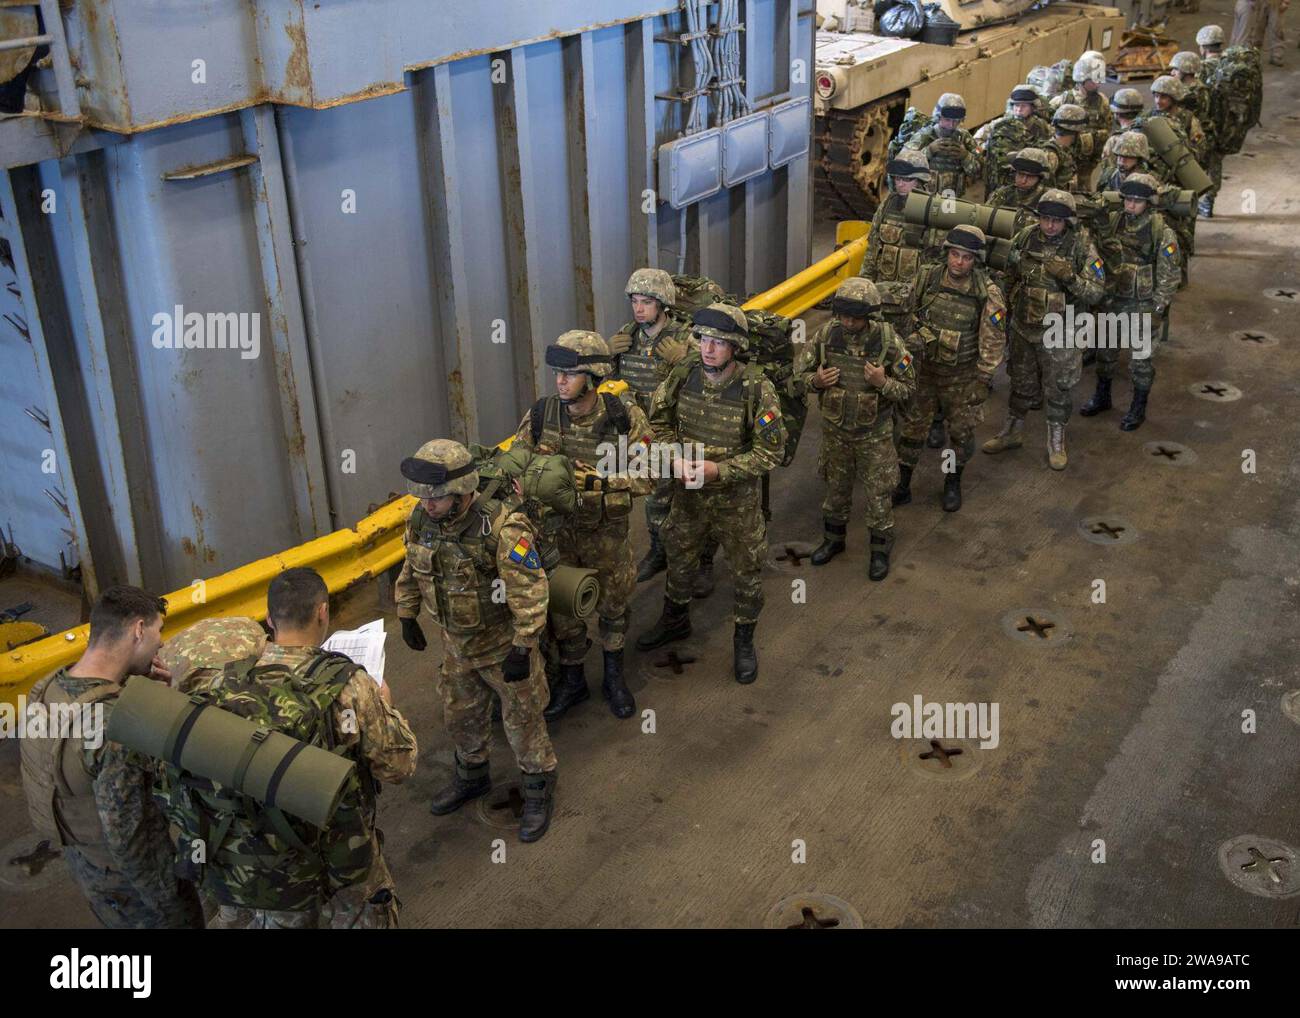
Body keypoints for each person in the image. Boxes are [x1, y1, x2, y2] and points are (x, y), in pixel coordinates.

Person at [158, 568, 416, 929]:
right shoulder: (351, 684)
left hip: (258, 856)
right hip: (339, 852)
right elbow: (399, 766)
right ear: (323, 612)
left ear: (268, 619)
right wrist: (385, 704)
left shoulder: (228, 681)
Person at [396, 441, 558, 840]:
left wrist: (524, 646)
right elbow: (412, 568)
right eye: (423, 497)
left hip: (503, 646)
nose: (427, 504)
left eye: (436, 497)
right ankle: (472, 776)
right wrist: (406, 613)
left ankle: (538, 787)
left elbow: (531, 592)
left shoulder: (503, 528)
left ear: (464, 489)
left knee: (523, 720)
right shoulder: (422, 520)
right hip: (457, 646)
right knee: (461, 716)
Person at [19, 586, 205, 930]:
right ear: (137, 630)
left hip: (85, 864)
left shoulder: (48, 687)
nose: (161, 644)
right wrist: (167, 900)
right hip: (135, 886)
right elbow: (129, 839)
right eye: (158, 631)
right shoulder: (115, 728)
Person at [636, 303, 786, 685]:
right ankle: (675, 620)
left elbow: (771, 452)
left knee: (747, 572)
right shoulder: (684, 374)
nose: (708, 348)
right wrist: (674, 458)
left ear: (734, 347)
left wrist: (721, 470)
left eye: (718, 342)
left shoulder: (756, 389)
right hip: (689, 496)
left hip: (737, 503)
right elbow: (659, 423)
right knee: (679, 557)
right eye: (703, 339)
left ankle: (743, 640)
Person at [511, 330, 653, 720]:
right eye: (557, 373)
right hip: (556, 536)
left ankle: (613, 676)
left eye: (569, 375)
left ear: (592, 378)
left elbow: (652, 473)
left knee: (612, 606)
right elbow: (515, 465)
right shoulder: (542, 415)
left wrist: (602, 482)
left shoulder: (623, 417)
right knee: (563, 610)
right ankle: (573, 682)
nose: (559, 381)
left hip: (606, 536)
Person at [792, 277, 915, 579]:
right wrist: (815, 382)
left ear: (869, 315)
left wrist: (882, 383)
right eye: (843, 315)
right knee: (835, 492)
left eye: (854, 316)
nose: (847, 322)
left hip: (874, 436)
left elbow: (909, 389)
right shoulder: (825, 337)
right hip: (836, 435)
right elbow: (796, 378)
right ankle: (833, 541)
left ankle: (880, 551)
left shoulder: (888, 343)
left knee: (878, 496)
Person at [983, 190, 1105, 470]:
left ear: (1068, 222)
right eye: (1045, 219)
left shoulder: (1081, 245)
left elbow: (1096, 293)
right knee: (1021, 381)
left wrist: (1069, 277)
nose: (1050, 225)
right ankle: (1012, 431)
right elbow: (1007, 271)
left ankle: (1057, 440)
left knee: (1058, 387)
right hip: (1024, 327)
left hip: (1060, 332)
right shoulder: (1025, 237)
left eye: (1057, 221)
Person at [893, 225, 1007, 512]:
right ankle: (903, 484)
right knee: (911, 429)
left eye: (966, 258)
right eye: (955, 255)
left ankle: (952, 482)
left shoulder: (986, 292)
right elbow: (905, 313)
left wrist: (983, 377)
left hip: (962, 376)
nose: (959, 262)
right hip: (925, 371)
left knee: (961, 433)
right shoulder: (927, 278)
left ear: (975, 260)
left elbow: (993, 338)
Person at [608, 269, 697, 584]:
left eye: (646, 301)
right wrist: (607, 358)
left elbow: (710, 383)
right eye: (634, 301)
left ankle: (702, 563)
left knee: (694, 498)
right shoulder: (627, 336)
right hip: (645, 433)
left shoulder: (685, 337)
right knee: (655, 499)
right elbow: (606, 380)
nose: (639, 308)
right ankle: (660, 552)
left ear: (662, 304)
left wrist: (686, 360)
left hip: (682, 431)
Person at [1079, 174, 1181, 432]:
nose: (1131, 205)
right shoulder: (1113, 222)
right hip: (1113, 299)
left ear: (1149, 202)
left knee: (1140, 360)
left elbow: (1170, 275)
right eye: (1128, 200)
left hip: (1143, 304)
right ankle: (1103, 396)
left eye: (1138, 201)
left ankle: (1138, 406)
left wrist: (1158, 309)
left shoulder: (1161, 231)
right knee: (1105, 352)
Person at [860, 149, 943, 283]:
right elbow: (872, 248)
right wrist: (865, 281)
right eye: (898, 178)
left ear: (920, 180)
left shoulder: (934, 209)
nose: (900, 184)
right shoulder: (888, 204)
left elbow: (940, 259)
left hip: (915, 289)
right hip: (885, 284)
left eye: (907, 179)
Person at [901, 93, 983, 199]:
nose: (951, 125)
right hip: (924, 198)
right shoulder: (925, 135)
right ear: (938, 117)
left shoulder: (964, 138)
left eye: (956, 121)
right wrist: (929, 151)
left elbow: (978, 173)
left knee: (948, 214)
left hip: (951, 198)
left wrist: (965, 157)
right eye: (947, 120)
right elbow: (903, 165)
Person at [1051, 53, 1111, 188]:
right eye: (1094, 80)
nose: (1098, 84)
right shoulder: (1062, 100)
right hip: (1065, 158)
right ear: (1082, 79)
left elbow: (1107, 127)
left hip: (1087, 161)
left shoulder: (1102, 101)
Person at [979, 85, 1053, 191]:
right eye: (1016, 105)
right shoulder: (1000, 124)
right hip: (998, 177)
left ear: (1033, 107)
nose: (1019, 109)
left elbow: (1051, 143)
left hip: (1026, 178)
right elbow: (978, 139)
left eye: (1024, 105)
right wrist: (988, 150)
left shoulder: (1040, 126)